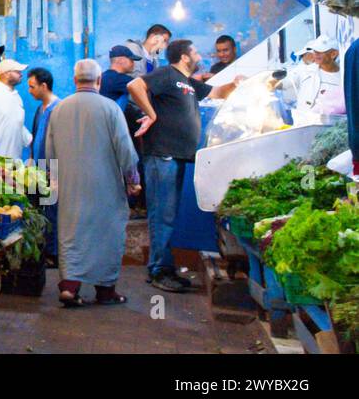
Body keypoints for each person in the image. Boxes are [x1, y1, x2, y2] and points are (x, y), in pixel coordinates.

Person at [127, 39, 240, 292]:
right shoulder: (168, 74)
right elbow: (135, 85)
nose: (199, 54)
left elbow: (217, 92)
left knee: (168, 215)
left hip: (177, 156)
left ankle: (164, 267)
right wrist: (152, 114)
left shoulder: (189, 83)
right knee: (162, 215)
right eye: (195, 51)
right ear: (185, 57)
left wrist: (237, 84)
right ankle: (158, 270)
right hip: (162, 156)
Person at [44, 59, 140, 308]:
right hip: (105, 187)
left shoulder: (59, 109)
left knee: (71, 234)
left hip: (69, 187)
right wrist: (133, 181)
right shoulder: (110, 108)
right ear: (99, 81)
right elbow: (125, 148)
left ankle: (69, 287)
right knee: (106, 235)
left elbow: (49, 151)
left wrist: (52, 184)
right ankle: (105, 291)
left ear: (75, 80)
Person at [271, 35, 345, 116]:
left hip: (332, 125)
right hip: (305, 122)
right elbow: (285, 82)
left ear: (333, 54)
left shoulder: (344, 76)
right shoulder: (304, 70)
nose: (316, 54)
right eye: (315, 51)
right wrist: (272, 83)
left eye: (320, 51)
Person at [26, 67, 60, 163]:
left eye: (32, 87)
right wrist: (31, 160)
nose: (29, 91)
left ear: (44, 86)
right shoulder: (39, 109)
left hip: (53, 168)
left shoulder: (59, 109)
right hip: (39, 166)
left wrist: (54, 174)